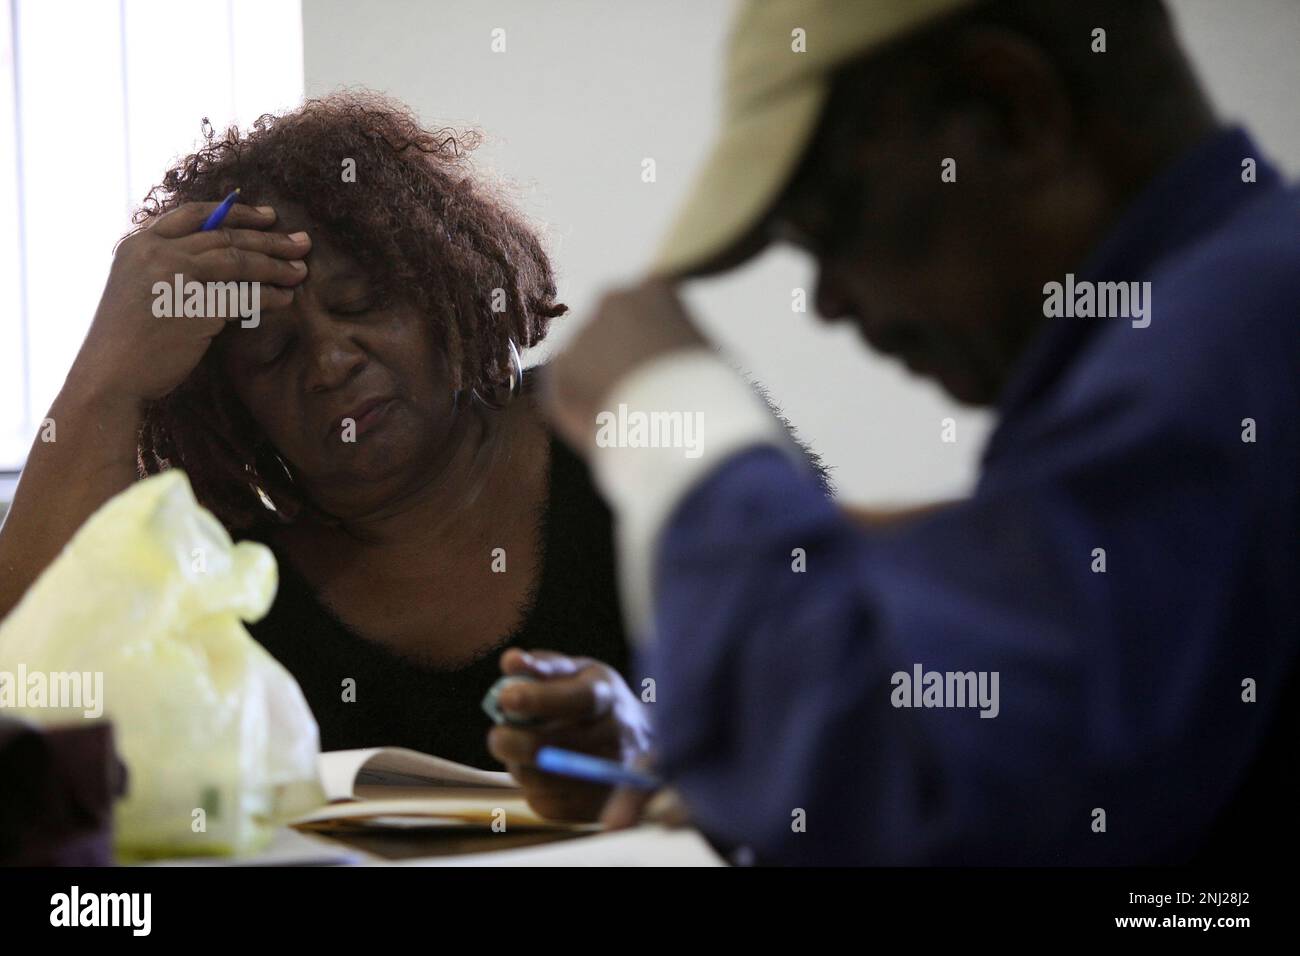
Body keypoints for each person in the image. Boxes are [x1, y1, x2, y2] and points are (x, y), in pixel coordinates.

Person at [546, 0, 1300, 862]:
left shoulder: (1218, 343)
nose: (828, 303)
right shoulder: (1239, 312)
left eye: (829, 223)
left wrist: (669, 414)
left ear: (1012, 110)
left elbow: (928, 790)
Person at [0, 93, 651, 821]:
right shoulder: (234, 580)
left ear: (444, 281)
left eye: (364, 302)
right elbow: (22, 699)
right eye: (273, 353)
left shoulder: (623, 438)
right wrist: (106, 377)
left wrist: (650, 751)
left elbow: (798, 725)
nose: (332, 362)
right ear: (229, 406)